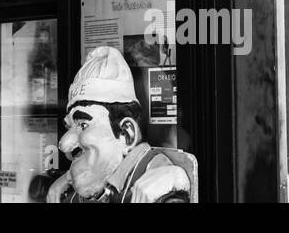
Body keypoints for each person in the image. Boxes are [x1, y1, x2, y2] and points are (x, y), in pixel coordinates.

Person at [46, 46, 196, 203]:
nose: (64, 144)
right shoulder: (90, 183)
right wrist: (68, 179)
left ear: (127, 134)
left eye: (83, 125)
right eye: (69, 127)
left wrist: (176, 178)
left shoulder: (155, 183)